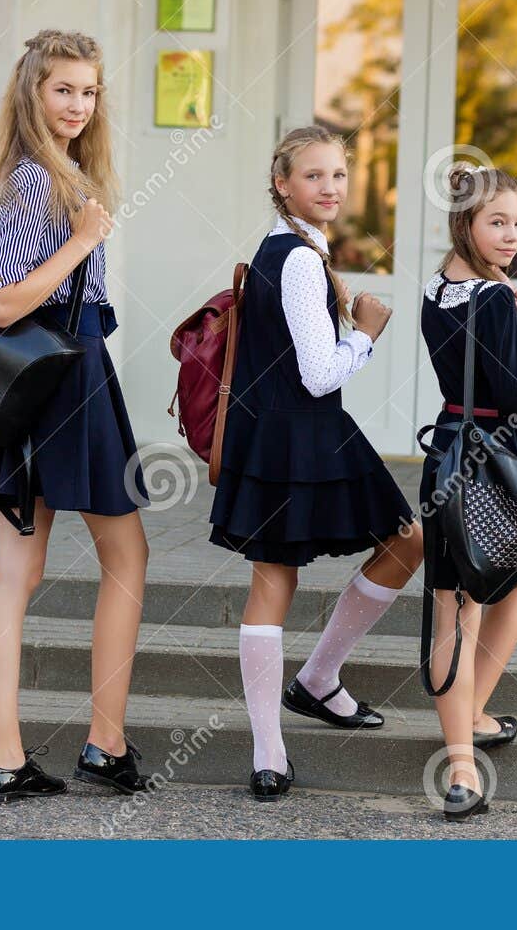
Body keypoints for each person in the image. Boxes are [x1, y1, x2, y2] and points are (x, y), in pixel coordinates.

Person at [0, 30, 152, 804]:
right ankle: (101, 740)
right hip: (58, 378)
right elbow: (5, 300)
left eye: (89, 91)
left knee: (25, 567)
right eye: (64, 89)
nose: (78, 104)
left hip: (65, 375)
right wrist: (87, 239)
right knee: (120, 555)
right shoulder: (37, 182)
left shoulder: (59, 174)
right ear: (33, 91)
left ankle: (16, 757)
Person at [208, 125, 423, 801]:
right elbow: (320, 374)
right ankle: (275, 738)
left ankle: (312, 689)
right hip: (302, 434)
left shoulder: (285, 250)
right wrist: (365, 330)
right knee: (401, 542)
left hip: (277, 436)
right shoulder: (299, 259)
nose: (329, 187)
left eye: (338, 174)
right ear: (282, 182)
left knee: (283, 579)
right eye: (313, 175)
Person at [418, 164, 517, 821]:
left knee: (473, 595)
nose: (511, 234)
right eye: (496, 222)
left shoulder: (435, 289)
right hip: (494, 460)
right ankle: (461, 767)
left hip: (449, 450)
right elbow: (511, 394)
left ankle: (469, 726)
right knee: (474, 600)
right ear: (466, 223)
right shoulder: (498, 299)